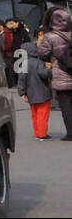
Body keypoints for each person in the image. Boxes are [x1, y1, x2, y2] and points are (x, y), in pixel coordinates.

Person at [37, 9, 72, 140]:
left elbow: (42, 54)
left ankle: (71, 133)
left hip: (61, 75)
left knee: (66, 106)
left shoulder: (50, 36)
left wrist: (52, 59)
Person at [18, 27, 53, 140]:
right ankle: (42, 134)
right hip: (42, 93)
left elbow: (21, 79)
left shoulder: (23, 64)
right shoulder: (38, 62)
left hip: (31, 94)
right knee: (43, 114)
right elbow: (43, 74)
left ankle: (38, 132)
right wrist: (50, 71)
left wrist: (22, 92)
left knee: (35, 114)